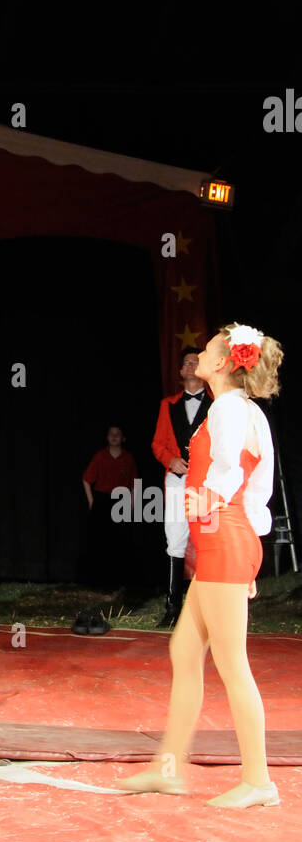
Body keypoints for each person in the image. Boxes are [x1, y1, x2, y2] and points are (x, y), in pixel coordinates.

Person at [119, 323, 284, 809]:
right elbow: (260, 490)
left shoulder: (231, 408)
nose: (201, 353)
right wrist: (242, 551)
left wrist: (202, 513)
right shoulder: (238, 409)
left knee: (233, 665)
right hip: (226, 541)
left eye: (209, 349)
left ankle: (259, 781)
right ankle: (169, 769)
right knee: (185, 654)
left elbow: (232, 473)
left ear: (224, 362)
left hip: (225, 540)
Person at [152, 348, 209, 627]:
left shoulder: (216, 404)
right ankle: (173, 607)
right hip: (176, 479)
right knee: (174, 540)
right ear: (181, 372)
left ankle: (208, 609)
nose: (191, 365)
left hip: (206, 481)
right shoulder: (168, 404)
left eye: (196, 362)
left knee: (208, 541)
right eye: (186, 362)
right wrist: (170, 459)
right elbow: (157, 444)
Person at [81, 425, 137, 587]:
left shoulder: (128, 458)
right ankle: (98, 581)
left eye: (117, 434)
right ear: (107, 437)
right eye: (111, 434)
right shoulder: (100, 456)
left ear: (123, 439)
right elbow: (86, 479)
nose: (114, 437)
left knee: (120, 542)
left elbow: (135, 482)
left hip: (121, 501)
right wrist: (92, 500)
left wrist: (132, 502)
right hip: (102, 501)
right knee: (100, 542)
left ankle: (119, 581)